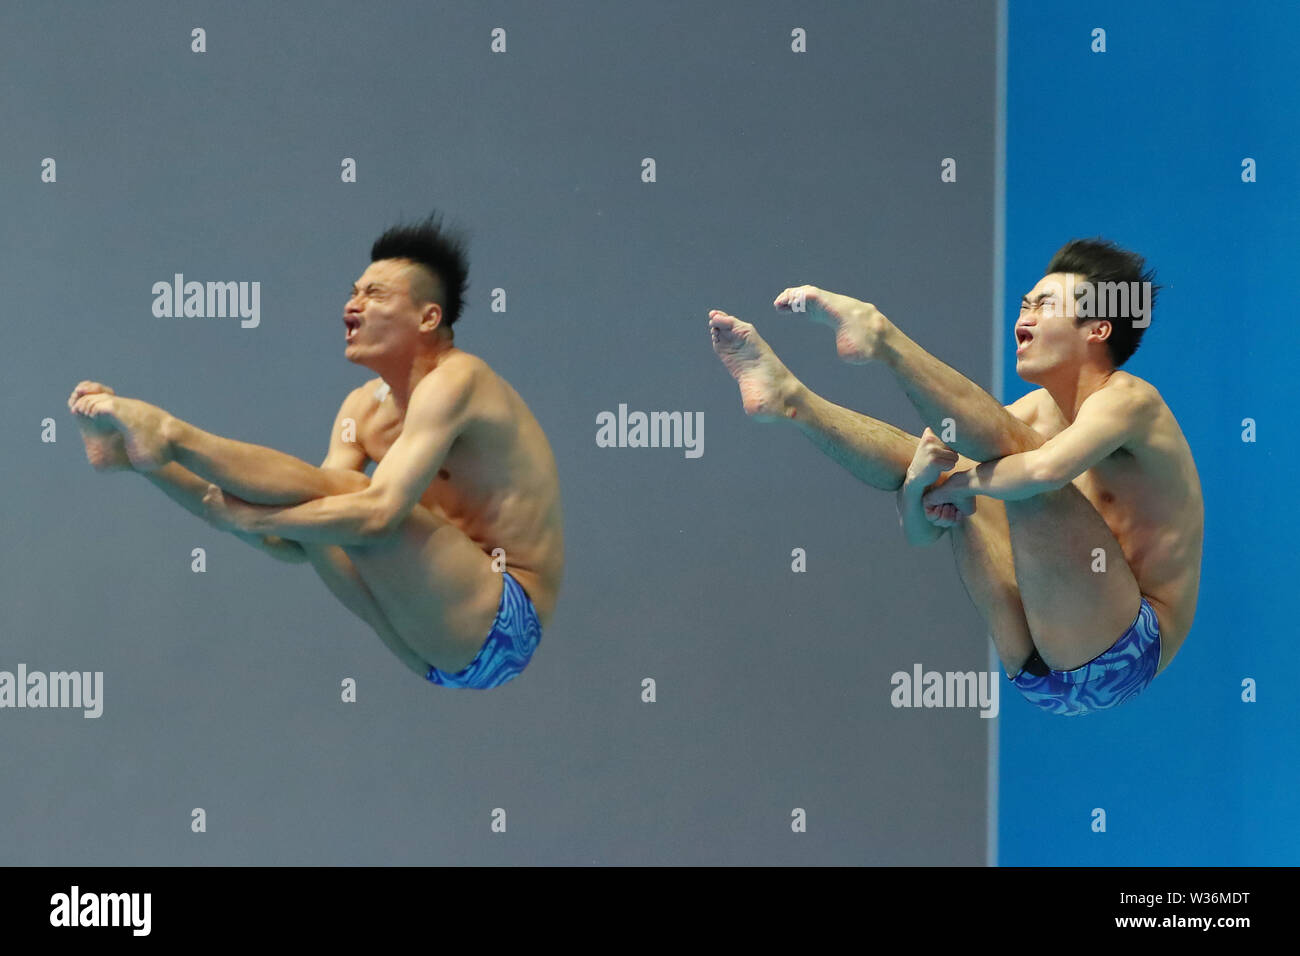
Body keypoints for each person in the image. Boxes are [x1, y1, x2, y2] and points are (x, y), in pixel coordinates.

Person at [69, 214, 564, 690]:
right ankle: (139, 457)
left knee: (349, 498)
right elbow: (294, 542)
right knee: (317, 520)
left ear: (428, 317)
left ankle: (169, 433)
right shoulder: (361, 411)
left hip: (502, 620)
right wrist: (242, 514)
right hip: (426, 648)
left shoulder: (460, 379)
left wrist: (258, 520)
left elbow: (380, 517)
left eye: (375, 294)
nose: (353, 304)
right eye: (353, 291)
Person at [709, 238, 1202, 715]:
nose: (1023, 317)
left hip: (1128, 649)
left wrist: (959, 484)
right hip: (1035, 670)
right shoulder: (1034, 414)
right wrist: (929, 485)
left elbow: (1047, 470)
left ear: (1097, 329)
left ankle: (881, 336)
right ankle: (794, 402)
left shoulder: (1131, 401)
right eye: (1024, 303)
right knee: (938, 457)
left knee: (1005, 464)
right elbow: (919, 529)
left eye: (1044, 304)